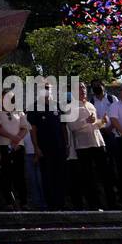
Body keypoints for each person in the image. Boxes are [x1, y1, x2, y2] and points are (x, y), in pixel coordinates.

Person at [27, 78, 70, 210]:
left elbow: (63, 127)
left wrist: (67, 144)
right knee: (47, 176)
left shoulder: (58, 106)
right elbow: (33, 130)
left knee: (61, 175)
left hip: (60, 147)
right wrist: (36, 148)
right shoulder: (33, 108)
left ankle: (61, 203)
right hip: (44, 148)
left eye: (48, 87)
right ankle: (51, 204)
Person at [68, 82, 111, 209]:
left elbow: (96, 125)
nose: (82, 89)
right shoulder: (70, 107)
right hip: (83, 146)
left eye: (84, 87)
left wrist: (102, 121)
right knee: (88, 177)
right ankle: (93, 205)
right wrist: (86, 121)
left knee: (105, 174)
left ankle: (110, 203)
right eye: (79, 87)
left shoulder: (91, 105)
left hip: (98, 143)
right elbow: (72, 127)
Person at [0, 104, 31, 210]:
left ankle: (24, 202)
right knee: (6, 174)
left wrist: (17, 139)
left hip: (18, 147)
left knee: (20, 175)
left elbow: (25, 127)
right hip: (4, 147)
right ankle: (8, 202)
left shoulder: (19, 111)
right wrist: (12, 137)